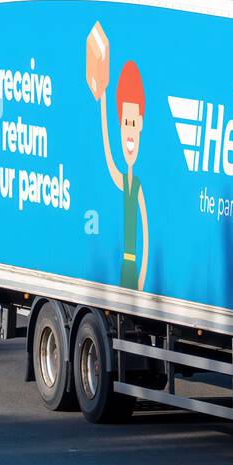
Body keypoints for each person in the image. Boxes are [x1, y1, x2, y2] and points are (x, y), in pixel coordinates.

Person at [97, 53, 149, 291]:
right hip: (124, 267)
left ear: (140, 125)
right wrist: (103, 100)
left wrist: (142, 278)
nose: (129, 133)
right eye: (124, 124)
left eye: (133, 124)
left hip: (133, 267)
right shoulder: (124, 179)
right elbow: (108, 158)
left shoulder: (136, 185)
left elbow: (146, 238)